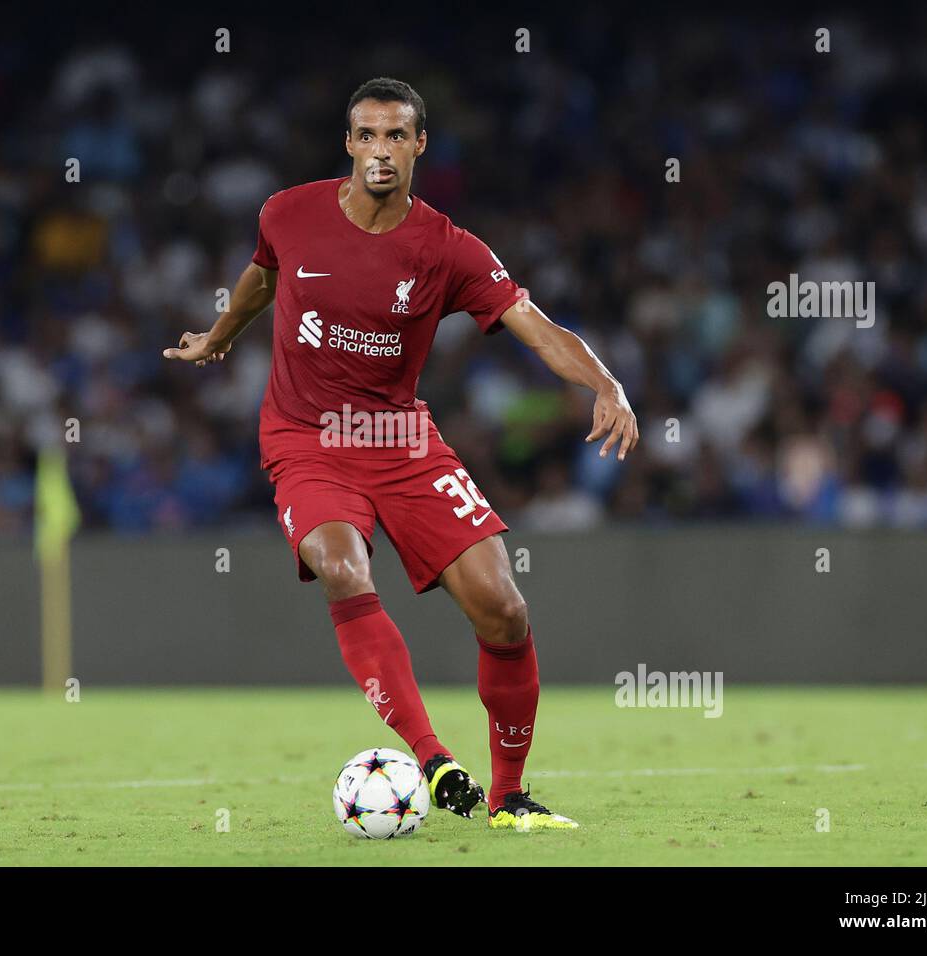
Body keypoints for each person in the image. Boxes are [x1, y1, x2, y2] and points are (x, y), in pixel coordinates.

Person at [165, 77, 638, 829]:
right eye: (367, 136)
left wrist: (606, 384)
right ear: (348, 144)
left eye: (396, 137)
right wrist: (218, 337)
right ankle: (433, 758)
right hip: (306, 439)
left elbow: (536, 325)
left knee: (504, 610)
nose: (380, 151)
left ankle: (510, 798)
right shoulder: (287, 212)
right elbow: (262, 276)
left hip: (400, 439)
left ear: (419, 146)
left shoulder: (449, 249)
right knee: (343, 565)